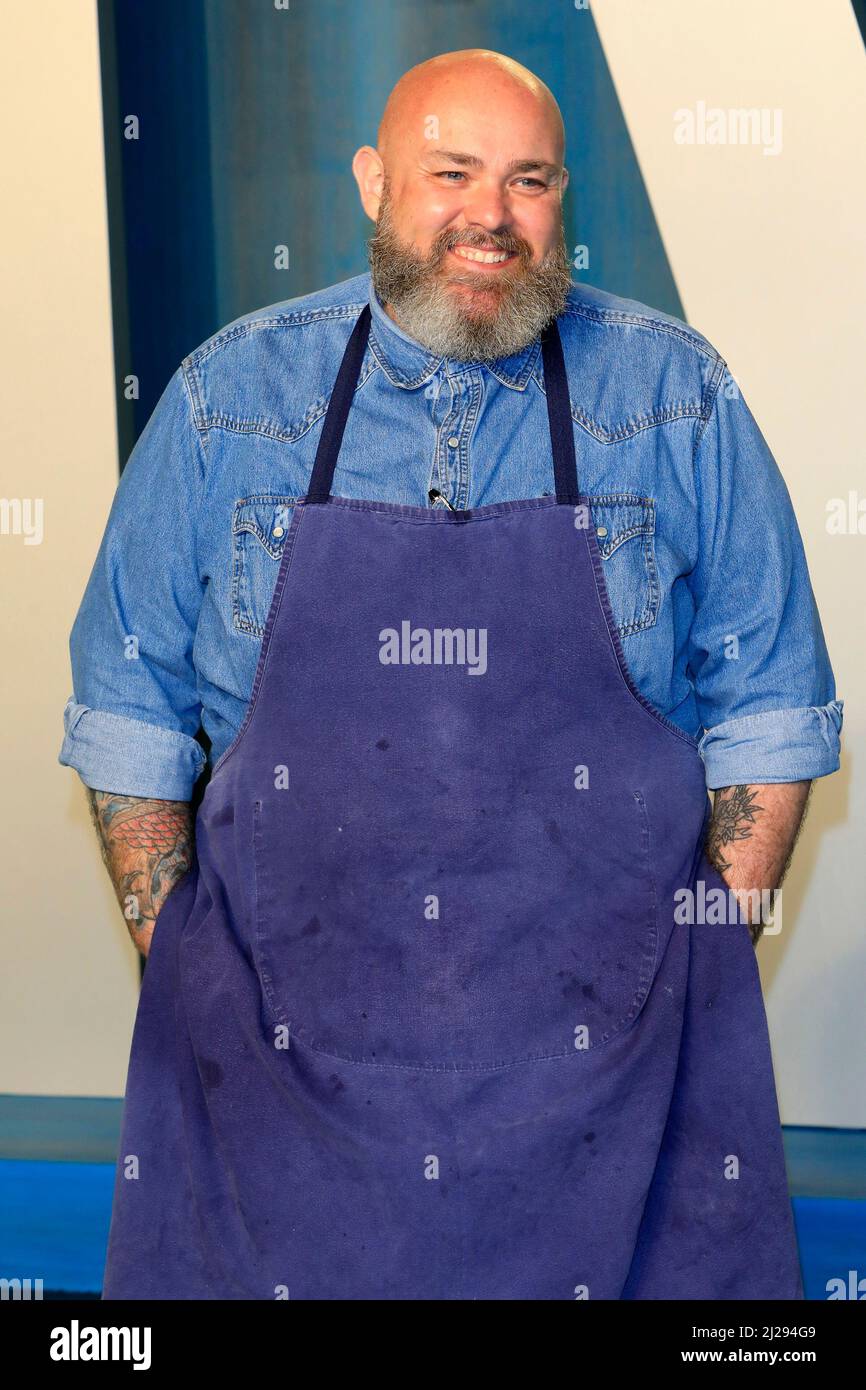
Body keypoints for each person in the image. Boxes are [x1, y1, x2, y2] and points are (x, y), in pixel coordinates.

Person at [60, 49, 842, 1300]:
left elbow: (769, 710)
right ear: (373, 183)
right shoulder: (228, 401)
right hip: (267, 1086)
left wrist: (693, 968)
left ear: (559, 201)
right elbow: (127, 715)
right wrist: (193, 974)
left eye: (528, 180)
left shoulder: (674, 396)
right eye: (451, 172)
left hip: (625, 1092)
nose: (491, 214)